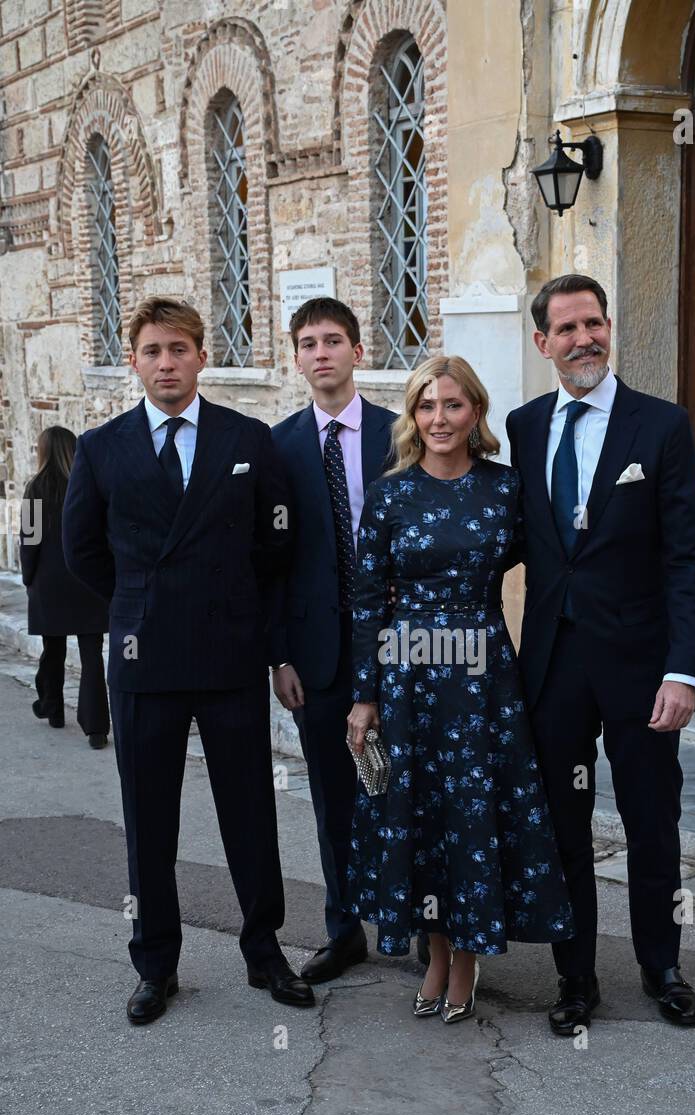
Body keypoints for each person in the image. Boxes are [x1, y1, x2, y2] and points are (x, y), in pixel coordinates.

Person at [63, 296, 313, 1024]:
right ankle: (156, 963)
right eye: (152, 352)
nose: (166, 364)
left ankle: (265, 951)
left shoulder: (247, 438)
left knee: (250, 811)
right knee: (149, 819)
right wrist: (143, 600)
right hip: (144, 659)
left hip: (229, 653)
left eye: (178, 350)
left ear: (202, 356)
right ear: (134, 361)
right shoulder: (103, 447)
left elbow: (276, 545)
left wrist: (251, 628)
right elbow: (82, 551)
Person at [506, 273, 695, 1035]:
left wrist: (684, 669)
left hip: (642, 669)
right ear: (543, 343)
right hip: (554, 667)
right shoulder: (525, 428)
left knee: (651, 821)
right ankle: (576, 977)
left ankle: (663, 966)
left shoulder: (660, 427)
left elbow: (688, 558)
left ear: (608, 326)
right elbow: (510, 540)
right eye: (566, 328)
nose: (584, 338)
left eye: (593, 322)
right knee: (563, 826)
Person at [346, 355, 576, 1023]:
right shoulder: (388, 494)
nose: (438, 417)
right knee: (419, 815)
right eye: (426, 405)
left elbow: (555, 568)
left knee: (471, 815)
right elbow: (364, 599)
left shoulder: (506, 490)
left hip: (481, 677)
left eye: (452, 404)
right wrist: (365, 696)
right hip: (406, 670)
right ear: (412, 417)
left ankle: (466, 961)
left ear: (475, 411)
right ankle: (436, 953)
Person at [269, 297, 400, 985]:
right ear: (296, 357)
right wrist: (279, 655)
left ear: (357, 350)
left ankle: (411, 924)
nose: (322, 352)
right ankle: (344, 928)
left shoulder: (400, 432)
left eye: (334, 340)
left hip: (398, 646)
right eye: (309, 342)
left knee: (404, 788)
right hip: (316, 656)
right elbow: (270, 561)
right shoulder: (279, 446)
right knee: (335, 797)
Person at [20, 426, 109, 748]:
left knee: (53, 650)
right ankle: (96, 727)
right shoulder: (89, 487)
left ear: (43, 452)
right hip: (87, 582)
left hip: (50, 585)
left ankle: (52, 708)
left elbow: (30, 540)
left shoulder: (36, 489)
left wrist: (28, 576)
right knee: (92, 657)